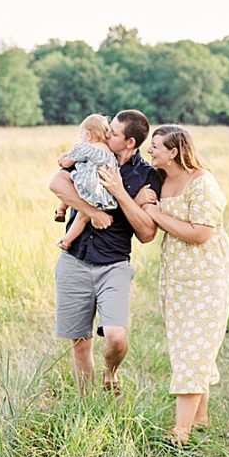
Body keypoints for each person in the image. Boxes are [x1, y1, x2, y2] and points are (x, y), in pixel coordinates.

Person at [49, 109, 160, 395]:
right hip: (76, 259)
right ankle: (86, 405)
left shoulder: (146, 175)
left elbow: (147, 233)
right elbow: (57, 183)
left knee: (116, 337)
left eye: (113, 132)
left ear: (130, 143)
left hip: (114, 264)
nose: (106, 133)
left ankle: (111, 373)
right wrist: (91, 211)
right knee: (80, 342)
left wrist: (122, 193)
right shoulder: (92, 152)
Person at [138, 125, 229, 445]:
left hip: (207, 276)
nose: (150, 151)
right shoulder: (161, 179)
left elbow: (200, 233)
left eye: (156, 147)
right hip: (175, 276)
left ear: (174, 152)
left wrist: (155, 213)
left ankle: (181, 431)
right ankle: (201, 418)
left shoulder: (202, 184)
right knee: (189, 345)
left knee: (193, 348)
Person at [55, 113, 119, 251]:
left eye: (82, 135)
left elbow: (66, 163)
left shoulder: (86, 147)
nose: (81, 138)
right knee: (82, 217)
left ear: (89, 135)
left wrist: (62, 158)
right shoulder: (111, 153)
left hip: (88, 184)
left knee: (71, 185)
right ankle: (66, 241)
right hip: (104, 192)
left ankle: (61, 210)